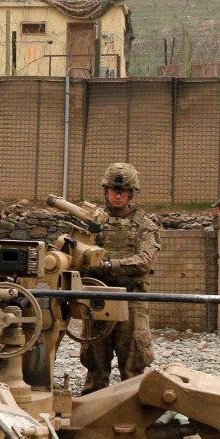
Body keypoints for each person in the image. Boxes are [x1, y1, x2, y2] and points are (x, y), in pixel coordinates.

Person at [80, 163, 161, 394]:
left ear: (131, 193)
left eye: (123, 191)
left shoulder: (145, 225)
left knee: (133, 365)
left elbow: (144, 261)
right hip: (98, 298)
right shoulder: (93, 223)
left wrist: (108, 264)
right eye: (113, 190)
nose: (117, 195)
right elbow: (77, 253)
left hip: (131, 300)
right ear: (105, 191)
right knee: (95, 363)